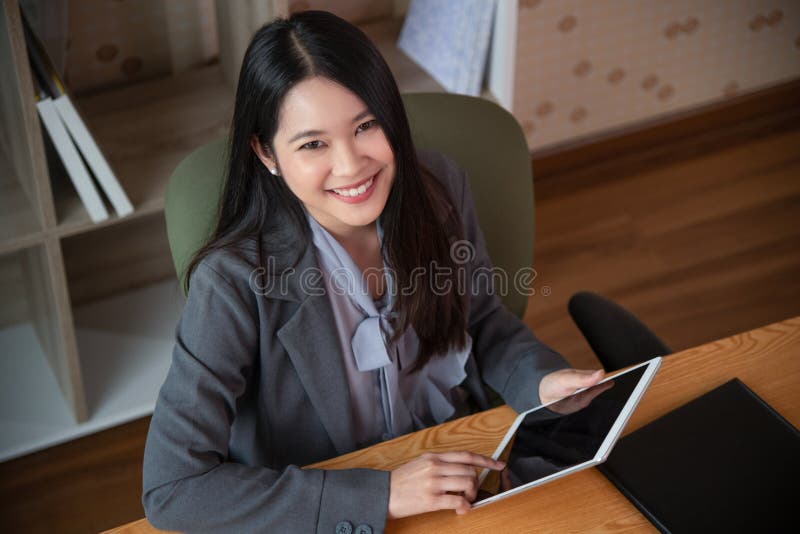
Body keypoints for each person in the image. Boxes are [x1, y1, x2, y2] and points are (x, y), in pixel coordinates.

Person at [142, 10, 604, 533]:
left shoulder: (439, 190)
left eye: (366, 125)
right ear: (266, 152)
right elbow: (172, 489)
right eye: (313, 143)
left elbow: (482, 324)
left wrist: (541, 381)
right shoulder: (232, 280)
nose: (352, 165)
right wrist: (384, 494)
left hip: (461, 469)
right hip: (333, 505)